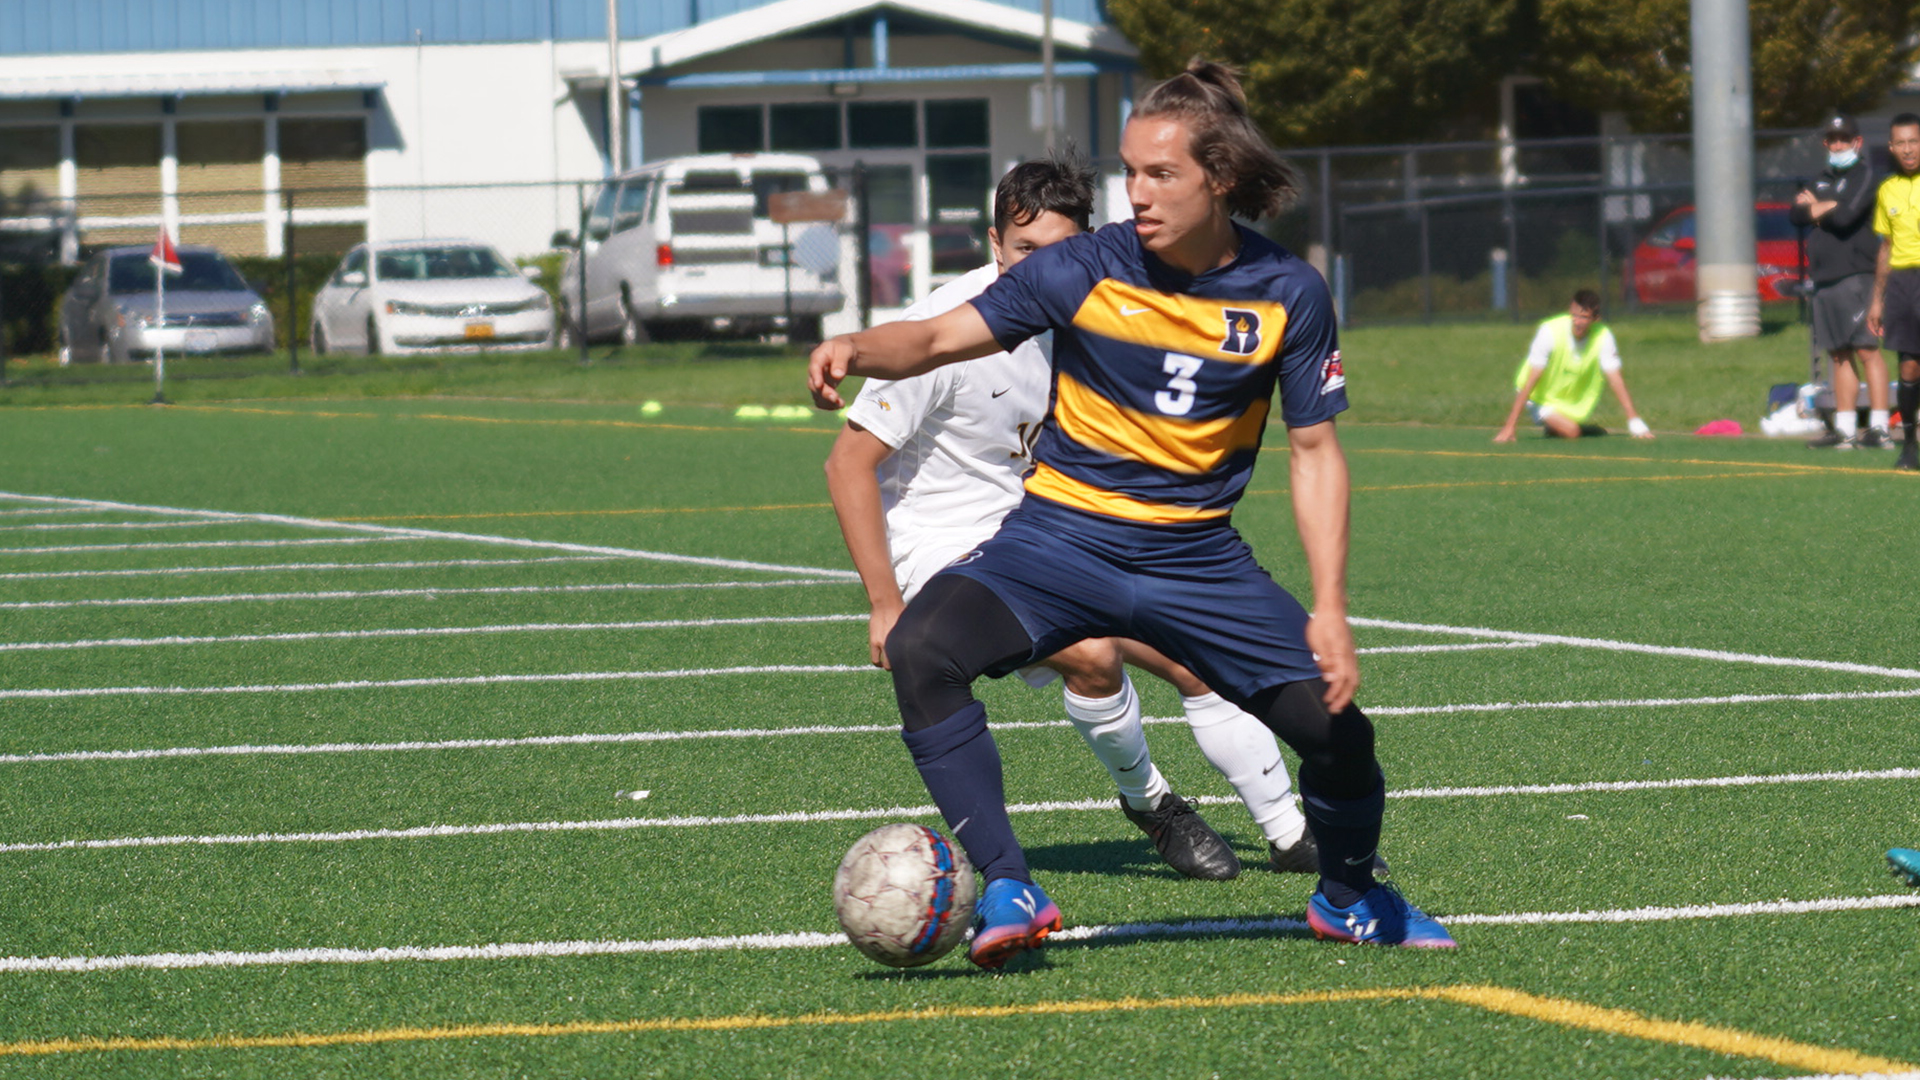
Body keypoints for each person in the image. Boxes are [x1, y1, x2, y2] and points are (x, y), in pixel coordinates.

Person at [810, 58, 1453, 968]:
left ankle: (1349, 895)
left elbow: (1315, 453)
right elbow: (940, 335)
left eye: (1160, 173)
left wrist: (1332, 607)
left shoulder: (1289, 293)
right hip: (1057, 541)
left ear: (1219, 177)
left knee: (1338, 734)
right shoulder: (1082, 266)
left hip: (1197, 560)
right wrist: (856, 344)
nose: (1136, 194)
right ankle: (1009, 882)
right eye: (1129, 172)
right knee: (923, 650)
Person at [824, 151, 1327, 885]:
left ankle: (1288, 833)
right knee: (1093, 654)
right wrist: (884, 604)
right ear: (995, 244)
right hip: (942, 540)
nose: (1040, 266)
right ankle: (1153, 804)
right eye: (1024, 248)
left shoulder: (1102, 308)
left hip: (1048, 525)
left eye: (1058, 250)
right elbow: (847, 464)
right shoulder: (946, 324)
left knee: (1191, 655)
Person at [1794, 114, 1891, 450]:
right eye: (1833, 140)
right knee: (1838, 353)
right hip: (1824, 278)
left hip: (1856, 276)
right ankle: (1845, 429)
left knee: (1866, 349)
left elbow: (1848, 217)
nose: (1838, 145)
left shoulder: (1866, 175)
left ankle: (1879, 427)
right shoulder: (1820, 178)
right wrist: (1830, 205)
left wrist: (1818, 208)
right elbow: (1796, 215)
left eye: (1844, 139)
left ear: (1857, 142)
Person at [1494, 290, 1652, 443]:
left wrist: (1634, 419)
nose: (1577, 322)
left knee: (1570, 428)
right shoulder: (1549, 331)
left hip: (1563, 399)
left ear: (1596, 319)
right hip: (1536, 397)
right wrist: (1510, 426)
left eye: (1584, 317)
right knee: (1571, 431)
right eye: (1574, 315)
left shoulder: (1603, 336)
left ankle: (1559, 427)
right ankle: (1566, 427)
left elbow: (1615, 379)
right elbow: (1531, 379)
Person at [1866, 113, 1920, 472]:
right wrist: (1876, 300)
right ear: (1891, 147)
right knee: (1909, 365)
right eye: (1901, 143)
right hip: (1902, 283)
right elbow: (1885, 247)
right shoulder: (1887, 190)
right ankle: (1910, 448)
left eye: (1913, 141)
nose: (1908, 149)